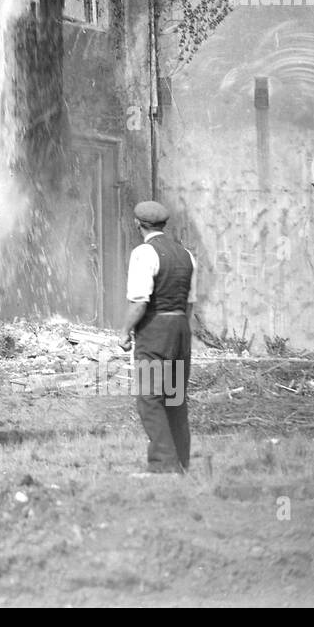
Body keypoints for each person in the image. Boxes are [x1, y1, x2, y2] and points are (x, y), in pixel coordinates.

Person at [119, 200, 196, 474]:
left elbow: (139, 302)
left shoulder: (144, 252)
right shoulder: (185, 254)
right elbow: (189, 303)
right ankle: (181, 462)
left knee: (150, 398)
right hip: (180, 329)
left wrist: (125, 332)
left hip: (155, 331)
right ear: (164, 224)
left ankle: (163, 464)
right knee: (174, 396)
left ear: (137, 224)